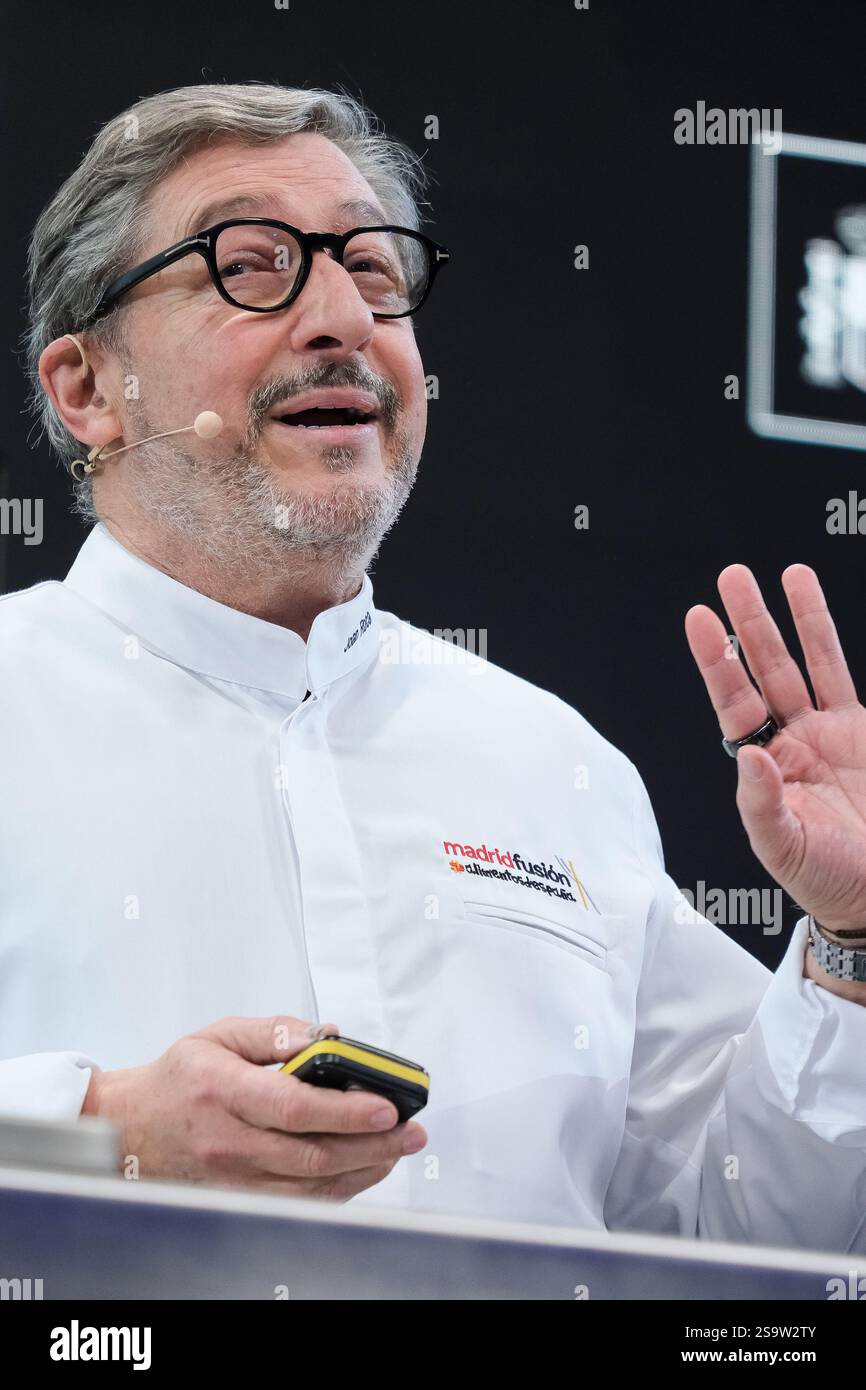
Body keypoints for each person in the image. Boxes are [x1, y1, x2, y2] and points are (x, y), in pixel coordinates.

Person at [3, 81, 865, 1245]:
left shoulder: (551, 763)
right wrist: (96, 1132)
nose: (343, 320)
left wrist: (847, 949)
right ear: (88, 389)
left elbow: (747, 1225)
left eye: (373, 271)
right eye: (251, 264)